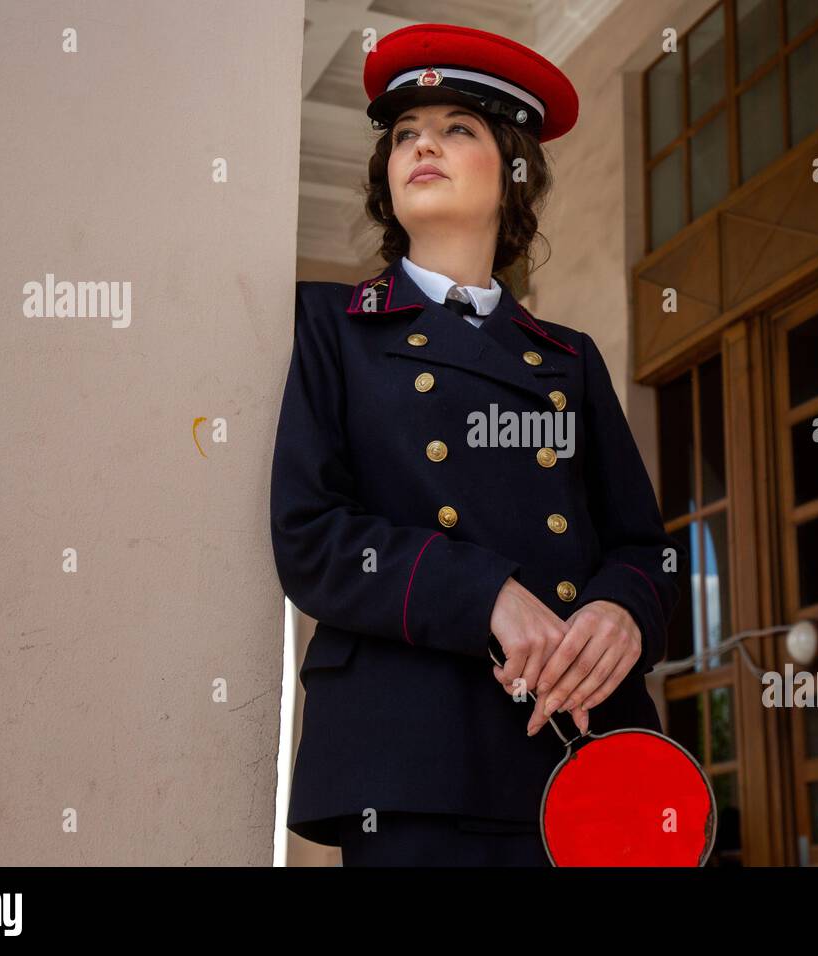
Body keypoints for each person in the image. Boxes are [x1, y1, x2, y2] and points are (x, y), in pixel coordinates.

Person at [271, 22, 680, 866]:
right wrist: (484, 593)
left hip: (584, 751)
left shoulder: (570, 357)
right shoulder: (329, 328)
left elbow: (643, 546)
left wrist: (620, 612)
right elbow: (310, 535)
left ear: (514, 172)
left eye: (459, 128)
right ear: (386, 178)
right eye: (406, 135)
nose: (425, 144)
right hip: (413, 754)